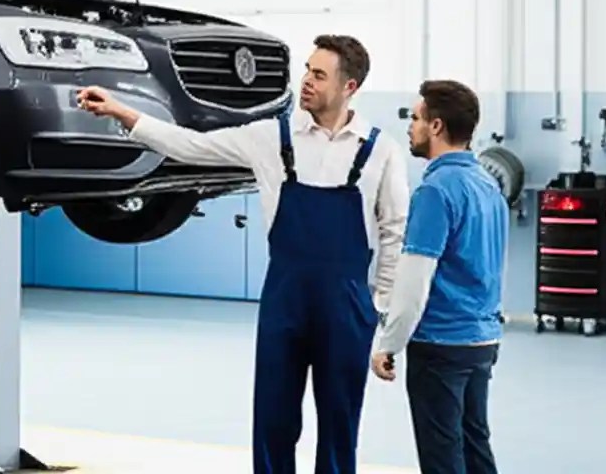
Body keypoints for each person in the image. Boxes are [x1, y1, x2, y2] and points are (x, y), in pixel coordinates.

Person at [76, 34, 409, 474]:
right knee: (273, 420)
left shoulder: (379, 150)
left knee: (340, 425)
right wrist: (122, 111)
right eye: (307, 69)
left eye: (319, 74)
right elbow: (190, 145)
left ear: (349, 88)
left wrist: (379, 306)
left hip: (347, 307)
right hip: (284, 301)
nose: (305, 80)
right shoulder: (270, 137)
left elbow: (394, 233)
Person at [369, 79, 507, 474]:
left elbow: (413, 282)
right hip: (482, 341)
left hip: (441, 345)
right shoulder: (488, 187)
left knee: (442, 457)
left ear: (436, 126)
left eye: (415, 118)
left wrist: (388, 343)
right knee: (475, 446)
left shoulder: (435, 191)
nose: (409, 126)